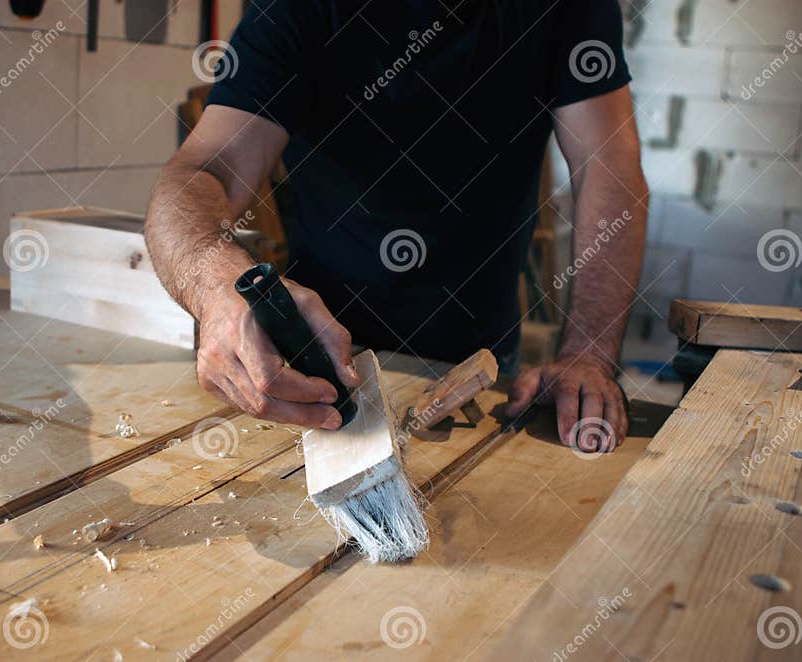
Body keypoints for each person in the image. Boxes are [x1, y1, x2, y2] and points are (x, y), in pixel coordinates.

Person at [144, 0, 648, 453]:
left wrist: (589, 353)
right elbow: (202, 172)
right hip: (322, 368)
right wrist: (217, 289)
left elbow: (609, 173)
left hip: (480, 362)